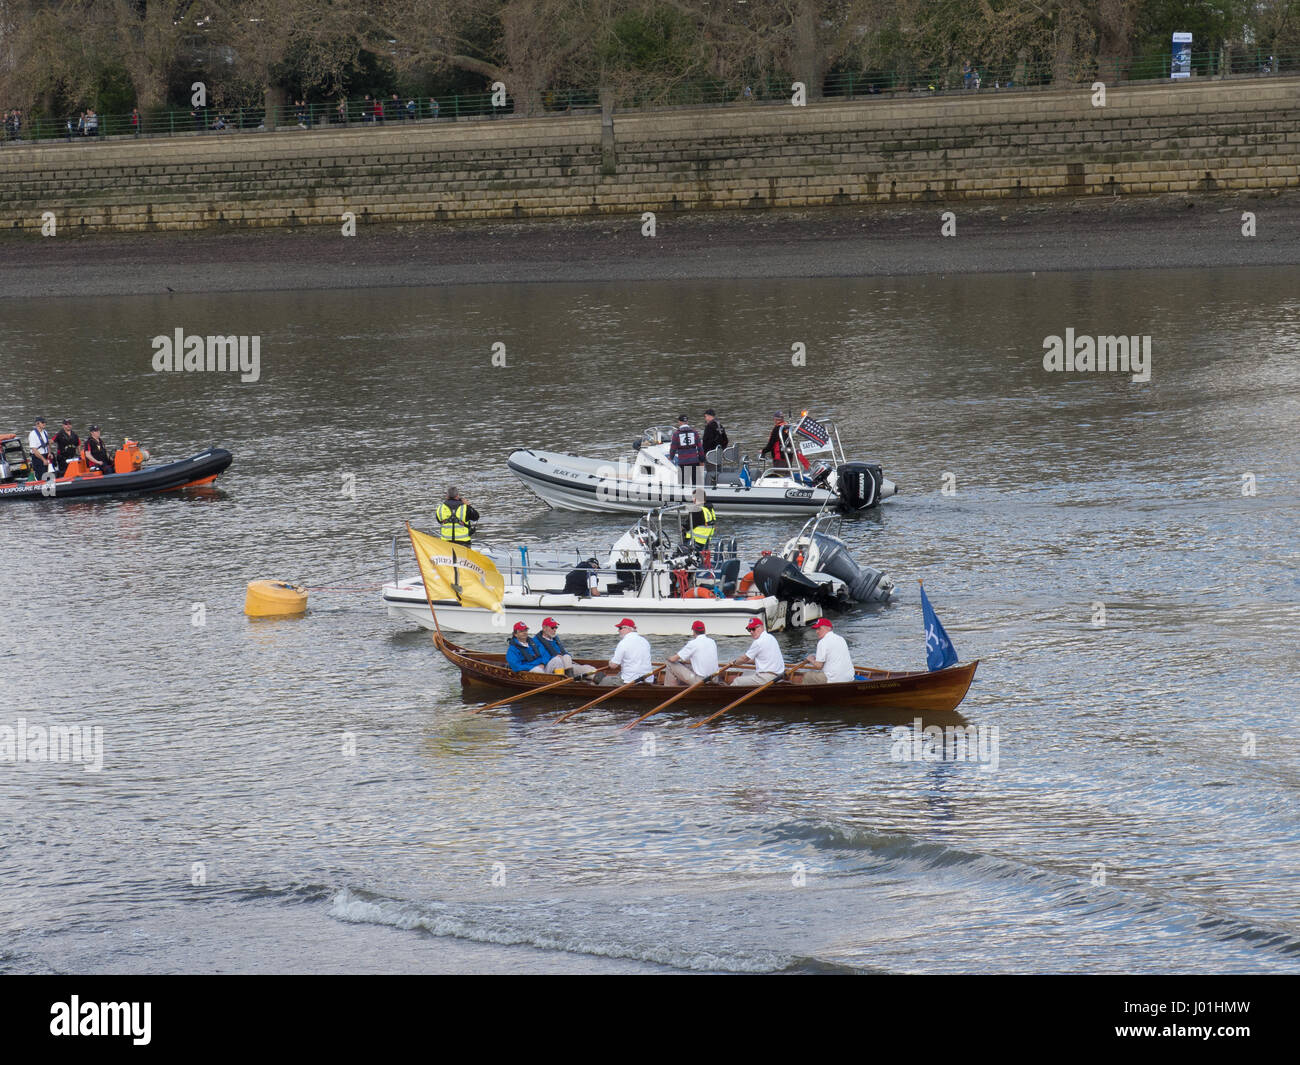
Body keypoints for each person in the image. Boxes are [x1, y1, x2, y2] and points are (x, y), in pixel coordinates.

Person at [723, 616, 785, 686]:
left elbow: (744, 658)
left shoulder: (758, 642)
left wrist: (734, 663)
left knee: (737, 680)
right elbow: (759, 660)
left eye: (753, 629)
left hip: (767, 678)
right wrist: (738, 661)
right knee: (746, 673)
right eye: (749, 630)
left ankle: (729, 696)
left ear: (761, 627)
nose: (751, 632)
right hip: (778, 676)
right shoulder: (771, 637)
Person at [793, 618, 854, 684]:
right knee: (820, 673)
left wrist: (810, 660)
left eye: (819, 629)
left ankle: (806, 693)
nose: (817, 631)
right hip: (849, 677)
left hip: (834, 679)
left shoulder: (823, 642)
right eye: (816, 629)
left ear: (828, 628)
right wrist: (816, 660)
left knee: (808, 676)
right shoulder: (841, 638)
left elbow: (819, 666)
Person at [597, 619, 654, 685]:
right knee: (619, 674)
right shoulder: (644, 641)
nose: (618, 630)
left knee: (604, 681)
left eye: (620, 628)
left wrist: (610, 662)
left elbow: (613, 665)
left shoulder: (623, 643)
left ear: (627, 628)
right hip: (648, 679)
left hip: (630, 681)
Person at [665, 620, 719, 686]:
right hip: (715, 679)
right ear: (705, 631)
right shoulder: (712, 642)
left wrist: (667, 657)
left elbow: (673, 659)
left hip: (701, 681)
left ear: (693, 632)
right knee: (686, 665)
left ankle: (670, 690)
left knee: (669, 663)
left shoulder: (693, 643)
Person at [669, 414, 703, 485]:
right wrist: (702, 459)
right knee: (696, 483)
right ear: (687, 422)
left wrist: (671, 457)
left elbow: (673, 448)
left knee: (684, 484)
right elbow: (700, 447)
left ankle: (685, 495)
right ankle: (698, 496)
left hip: (683, 462)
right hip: (694, 461)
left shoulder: (676, 434)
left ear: (679, 422)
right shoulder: (694, 432)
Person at [686, 488, 716, 554]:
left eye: (693, 497)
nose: (692, 500)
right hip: (706, 540)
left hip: (694, 540)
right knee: (701, 557)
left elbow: (689, 525)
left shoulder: (696, 509)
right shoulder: (709, 509)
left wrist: (683, 527)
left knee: (686, 554)